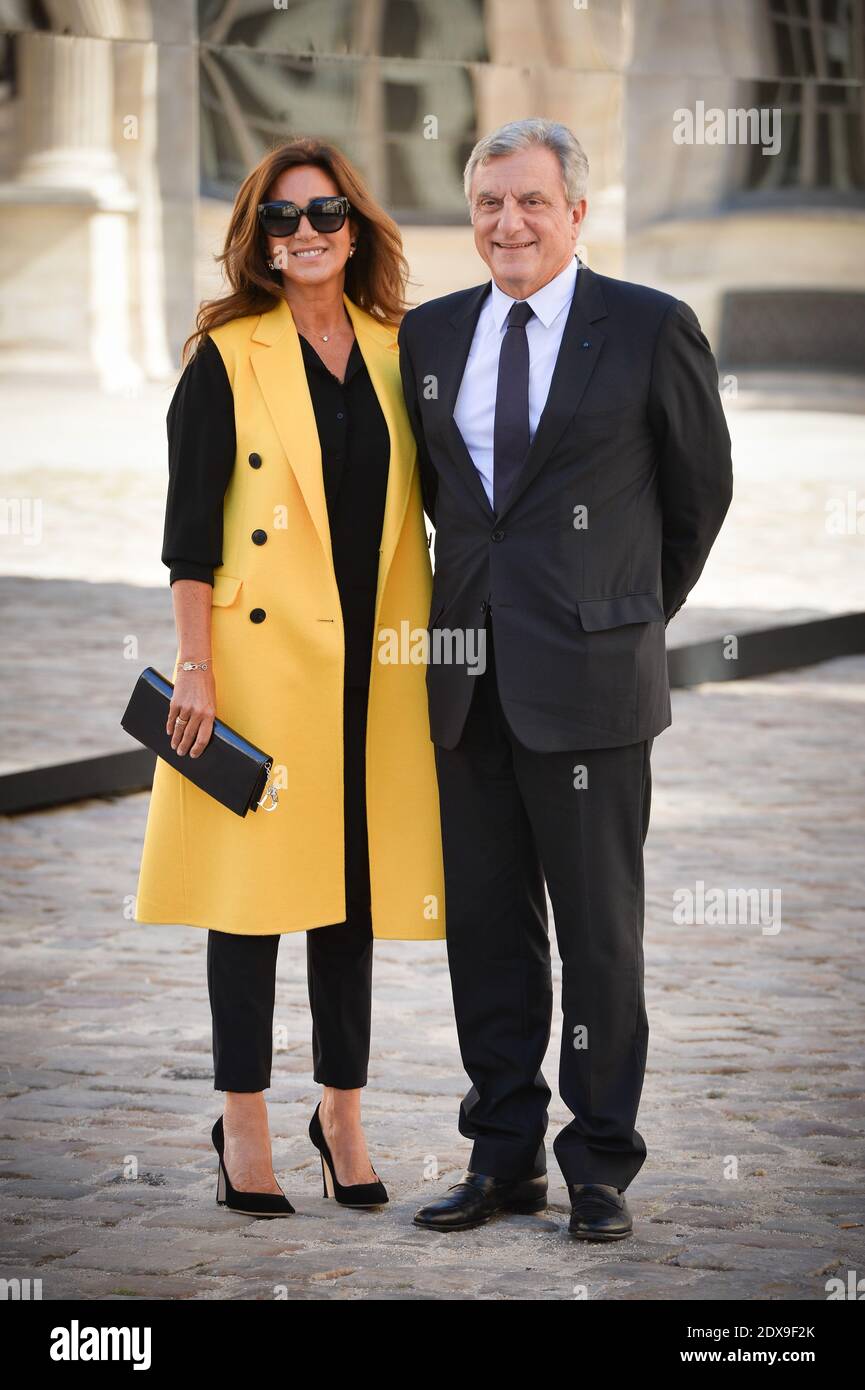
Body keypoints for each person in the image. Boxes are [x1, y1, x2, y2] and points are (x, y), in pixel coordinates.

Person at [398, 118, 733, 1239]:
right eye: (490, 202)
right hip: (463, 677)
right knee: (486, 934)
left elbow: (698, 499)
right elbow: (443, 504)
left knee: (598, 937)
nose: (509, 223)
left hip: (590, 682)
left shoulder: (646, 327)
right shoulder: (432, 335)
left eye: (532, 202)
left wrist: (620, 618)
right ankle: (501, 1156)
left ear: (576, 213)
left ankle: (597, 1164)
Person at [134, 137, 445, 1216]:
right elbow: (187, 537)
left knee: (347, 900)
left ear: (356, 228)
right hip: (262, 669)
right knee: (253, 902)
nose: (303, 234)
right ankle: (247, 1123)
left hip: (376, 672)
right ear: (257, 238)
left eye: (323, 215)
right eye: (281, 217)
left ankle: (342, 1112)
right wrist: (195, 670)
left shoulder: (406, 351)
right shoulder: (225, 357)